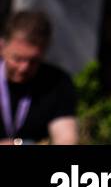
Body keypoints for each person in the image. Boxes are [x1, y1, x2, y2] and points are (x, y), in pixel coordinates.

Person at [0, 11, 78, 145]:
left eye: (33, 61)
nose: (24, 68)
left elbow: (66, 138)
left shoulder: (57, 83)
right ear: (2, 47)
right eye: (17, 59)